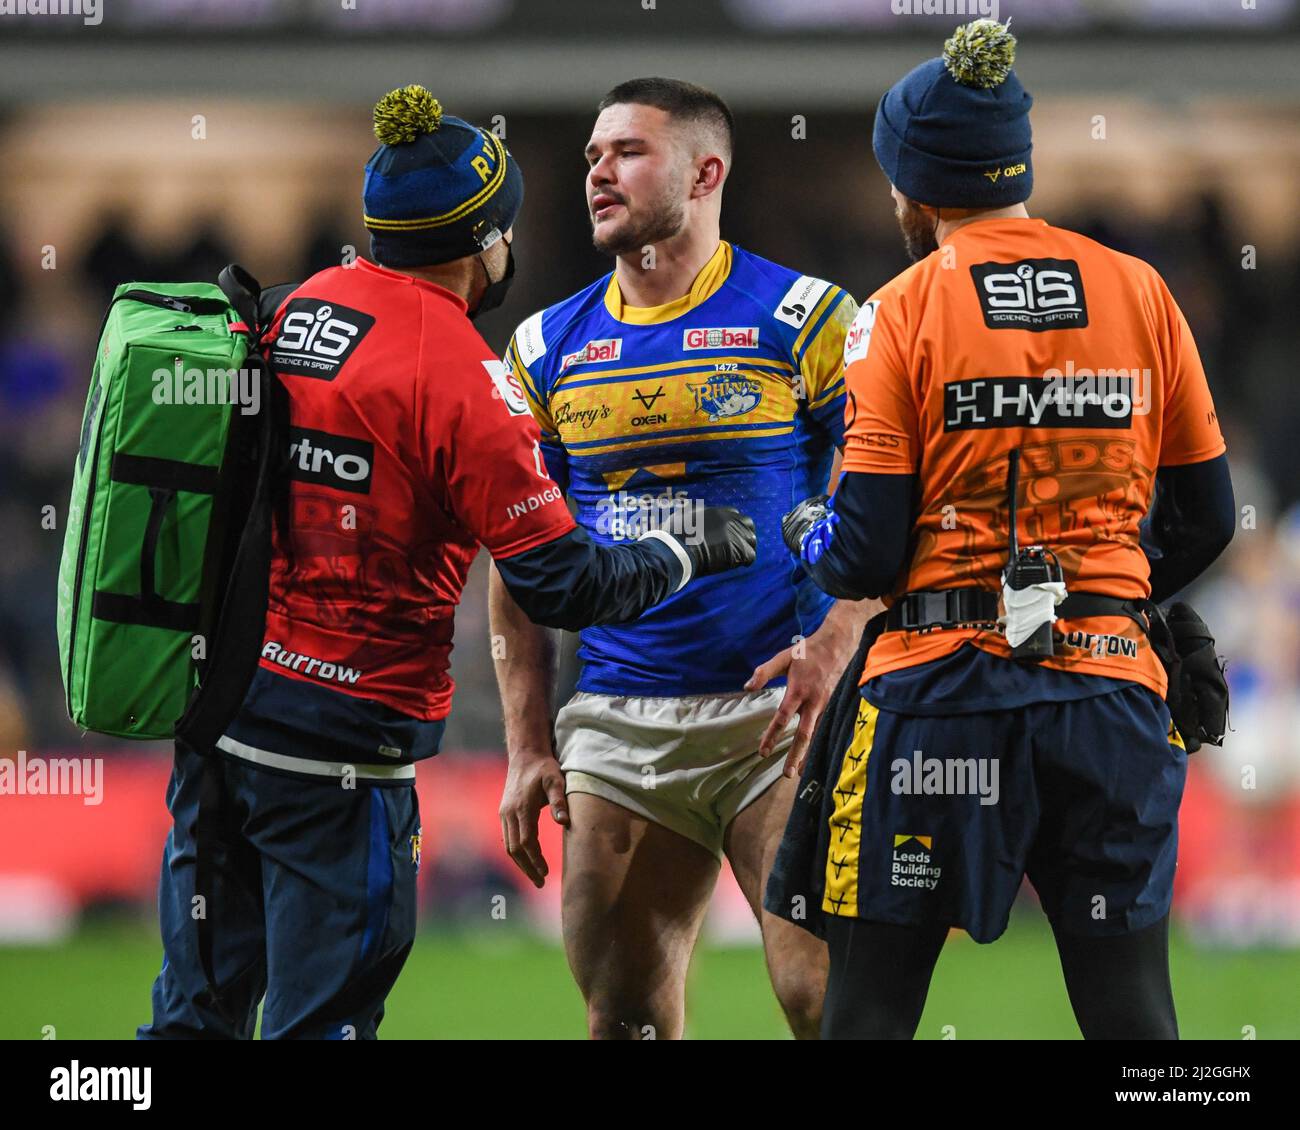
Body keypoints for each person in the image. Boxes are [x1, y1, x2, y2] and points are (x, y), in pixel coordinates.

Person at [138, 85, 756, 1041]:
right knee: (322, 1024)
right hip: (341, 746)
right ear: (484, 241)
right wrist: (689, 548)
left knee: (192, 1018)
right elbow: (564, 582)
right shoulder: (467, 378)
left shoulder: (297, 305)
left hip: (219, 717)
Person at [779, 20, 1235, 1039]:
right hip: (1110, 692)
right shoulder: (1139, 289)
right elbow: (1206, 516)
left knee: (871, 1012)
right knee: (1132, 1014)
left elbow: (863, 551)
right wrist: (1116, 592)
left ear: (916, 179)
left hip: (940, 697)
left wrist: (803, 526)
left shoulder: (894, 310)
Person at [491, 77, 874, 1040]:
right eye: (590, 156)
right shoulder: (541, 348)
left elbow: (886, 497)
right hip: (618, 725)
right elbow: (520, 562)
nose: (597, 171)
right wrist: (528, 743)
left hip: (781, 710)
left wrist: (837, 638)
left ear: (707, 172)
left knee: (823, 999)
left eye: (626, 151)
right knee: (625, 1019)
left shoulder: (809, 317)